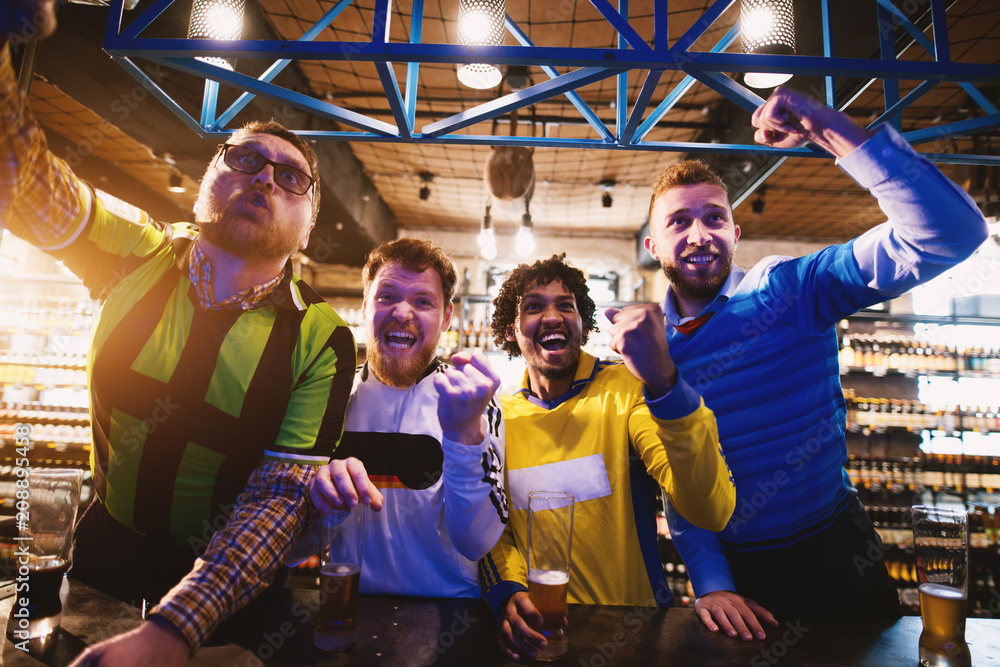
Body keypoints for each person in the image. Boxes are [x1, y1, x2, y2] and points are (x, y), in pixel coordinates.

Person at [1, 6, 356, 665]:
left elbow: (276, 502)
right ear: (208, 180)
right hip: (100, 566)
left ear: (307, 227)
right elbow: (25, 186)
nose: (264, 177)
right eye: (244, 158)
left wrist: (171, 628)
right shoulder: (137, 252)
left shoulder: (321, 338)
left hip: (233, 602)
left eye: (291, 177)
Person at [643, 86, 989, 641]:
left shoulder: (790, 290)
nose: (699, 234)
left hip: (839, 553)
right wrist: (711, 582)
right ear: (653, 245)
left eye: (714, 218)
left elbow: (953, 234)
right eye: (678, 222)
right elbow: (679, 479)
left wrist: (831, 130)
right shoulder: (650, 353)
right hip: (742, 582)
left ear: (735, 233)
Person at [479, 254, 736, 661]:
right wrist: (508, 592)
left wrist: (665, 383)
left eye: (566, 305)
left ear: (583, 322)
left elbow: (709, 507)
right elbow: (496, 529)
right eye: (534, 306)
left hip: (634, 634)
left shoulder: (627, 388)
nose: (552, 316)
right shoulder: (498, 416)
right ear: (512, 329)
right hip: (540, 635)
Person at [305, 237, 507, 597]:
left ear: (446, 317)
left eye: (422, 301)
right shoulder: (329, 397)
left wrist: (464, 435)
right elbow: (293, 554)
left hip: (450, 615)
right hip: (349, 608)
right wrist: (326, 510)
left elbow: (477, 542)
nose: (402, 312)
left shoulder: (473, 403)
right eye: (386, 296)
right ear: (365, 307)